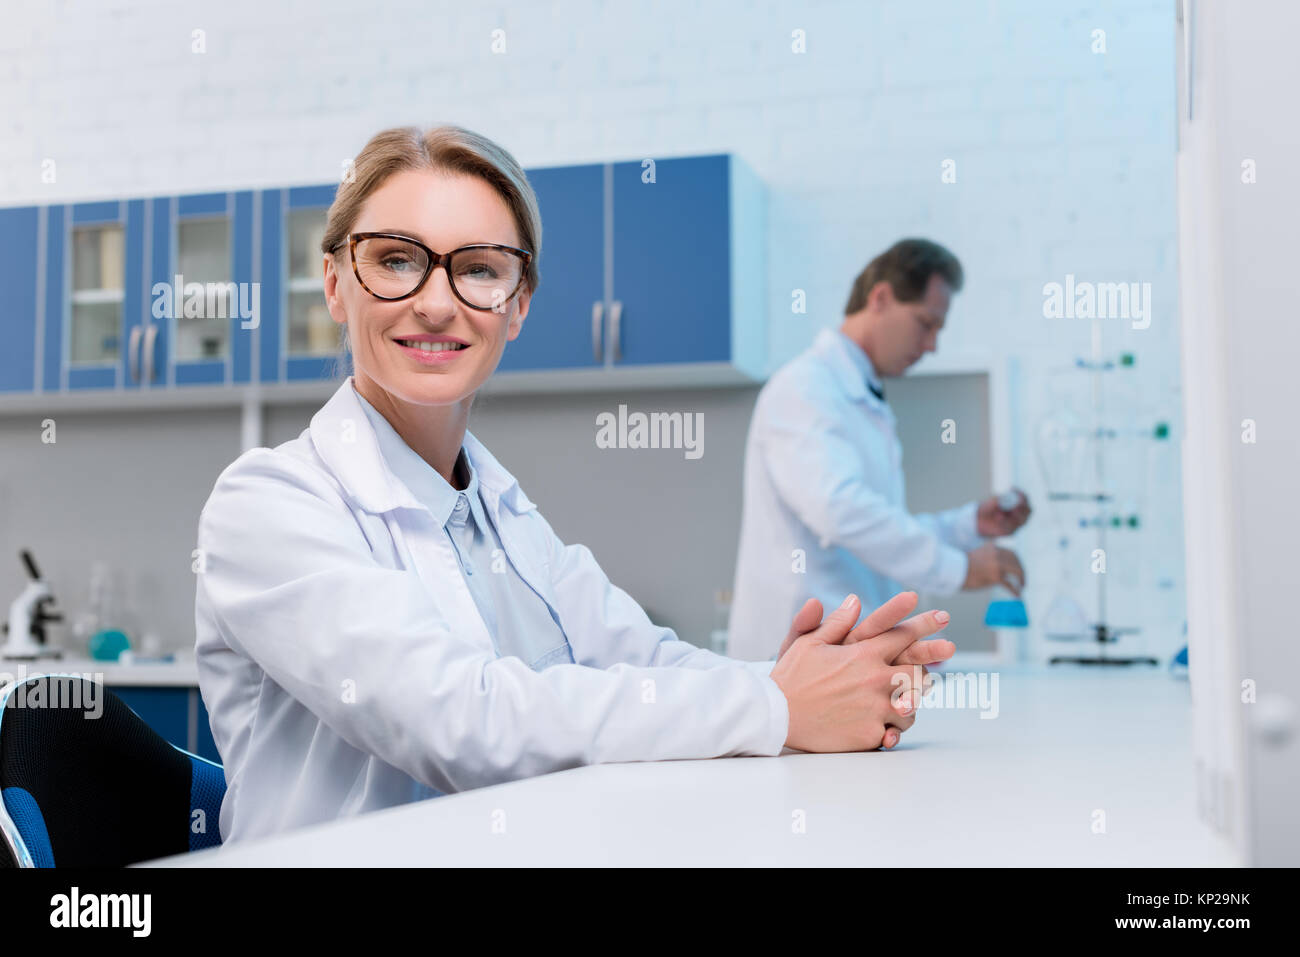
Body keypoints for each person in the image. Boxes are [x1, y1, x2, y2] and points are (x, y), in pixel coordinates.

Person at [194, 126, 956, 844]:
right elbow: (464, 722)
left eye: (480, 267)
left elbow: (641, 656)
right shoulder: (268, 503)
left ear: (517, 305)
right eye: (396, 259)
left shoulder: (502, 513)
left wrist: (819, 680)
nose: (435, 300)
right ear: (335, 284)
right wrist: (778, 704)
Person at [728, 239, 1031, 661]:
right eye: (926, 324)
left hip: (844, 656)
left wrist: (968, 526)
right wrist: (958, 569)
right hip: (796, 660)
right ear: (881, 298)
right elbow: (842, 512)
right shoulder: (805, 387)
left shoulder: (861, 400)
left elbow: (879, 528)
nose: (931, 345)